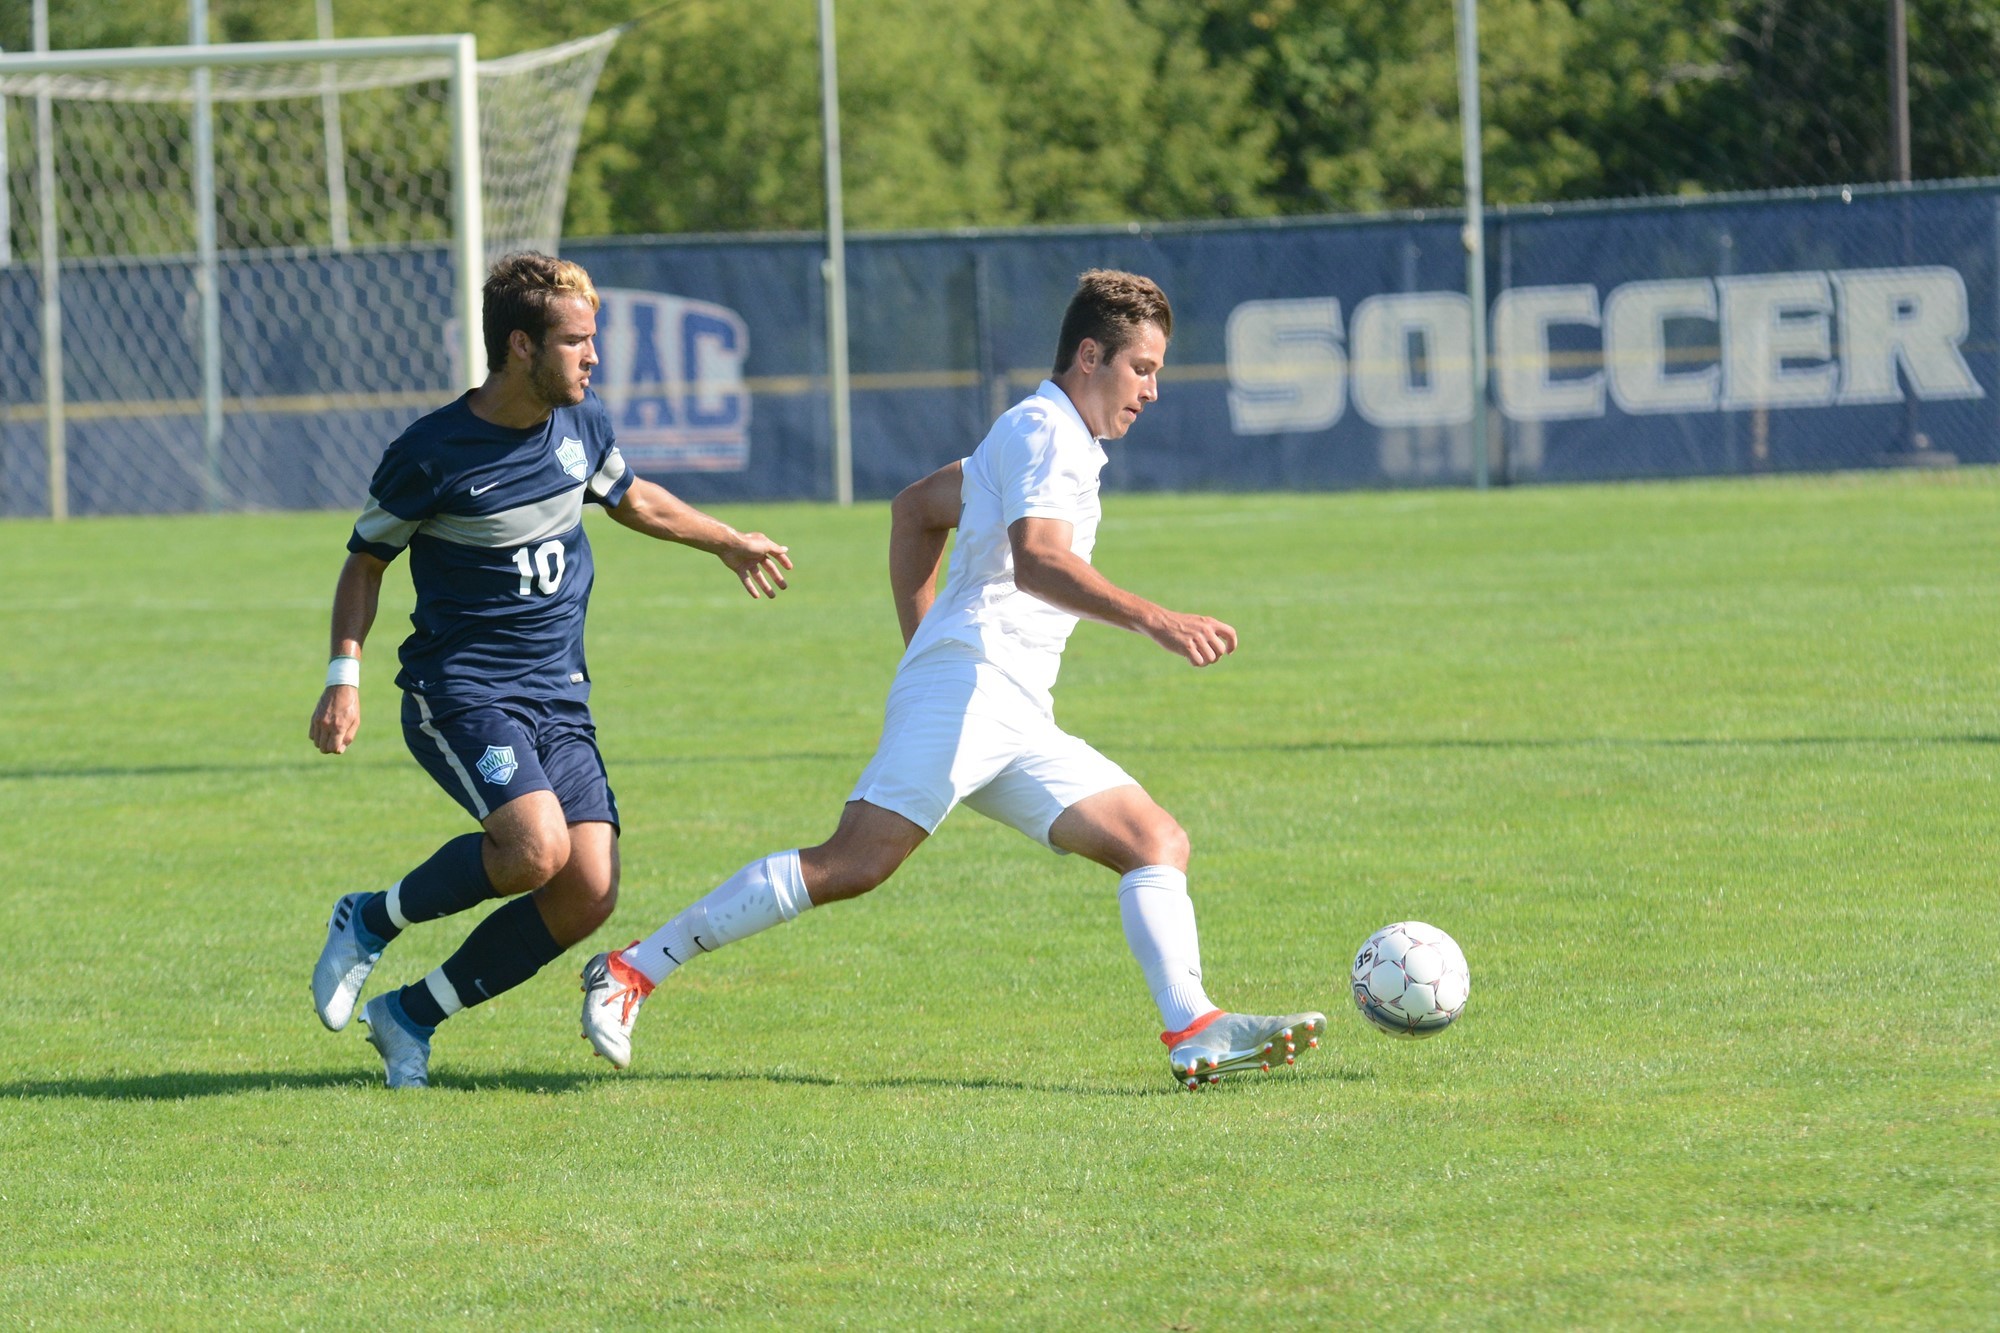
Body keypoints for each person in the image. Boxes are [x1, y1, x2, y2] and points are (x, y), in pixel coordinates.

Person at [579, 269, 1323, 1090]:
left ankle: (1193, 1025)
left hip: (1005, 702)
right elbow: (1040, 563)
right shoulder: (1044, 433)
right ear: (1089, 355)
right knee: (853, 863)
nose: (1151, 389)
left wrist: (922, 642)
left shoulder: (1042, 433)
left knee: (1155, 840)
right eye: (1141, 367)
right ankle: (631, 968)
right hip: (974, 686)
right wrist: (1156, 619)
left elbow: (915, 508)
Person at [308, 252, 793, 1088]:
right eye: (577, 342)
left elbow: (631, 497)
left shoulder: (581, 423)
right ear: (521, 346)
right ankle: (370, 916)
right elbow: (365, 563)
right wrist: (341, 674)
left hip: (558, 694)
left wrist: (727, 539)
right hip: (460, 690)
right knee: (535, 849)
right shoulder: (432, 452)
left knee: (587, 891)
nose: (593, 357)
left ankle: (408, 1016)